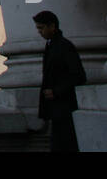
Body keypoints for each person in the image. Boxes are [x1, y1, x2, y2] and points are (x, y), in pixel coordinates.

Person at [34, 10, 86, 152]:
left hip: (64, 107)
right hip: (56, 108)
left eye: (41, 28)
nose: (39, 32)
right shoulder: (51, 45)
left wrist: (56, 92)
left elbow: (79, 75)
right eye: (38, 28)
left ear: (52, 26)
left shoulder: (64, 46)